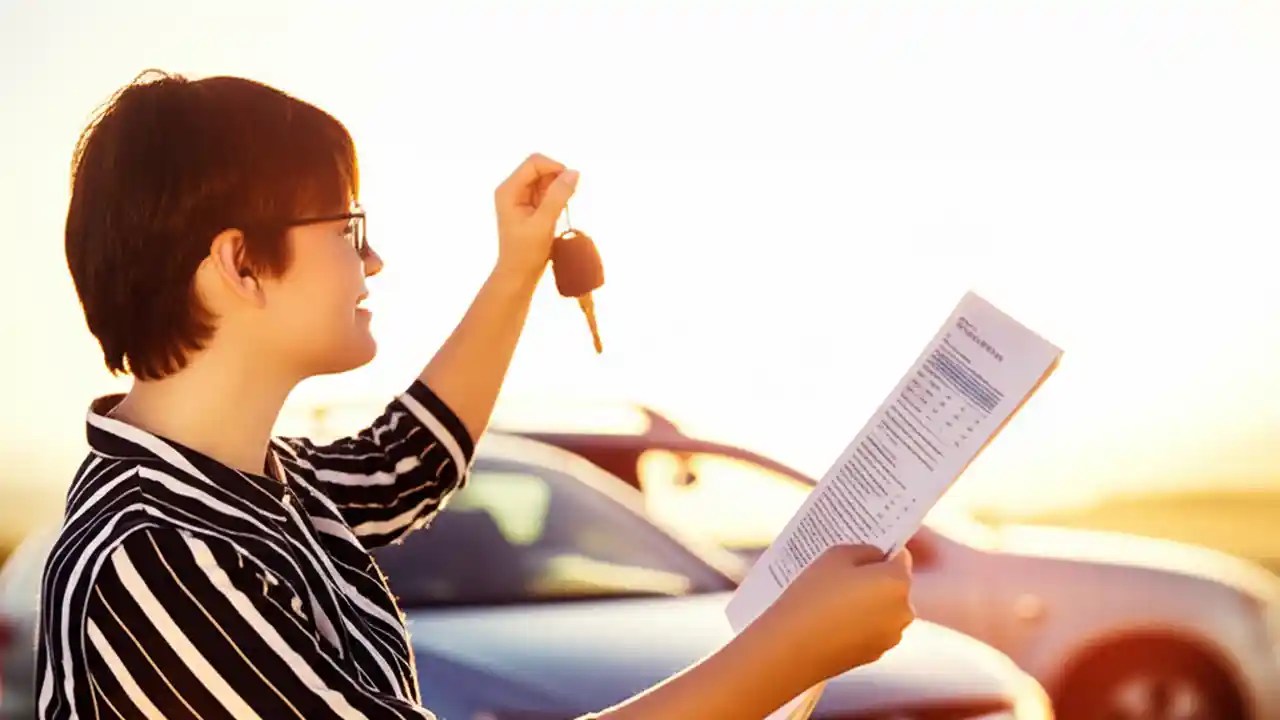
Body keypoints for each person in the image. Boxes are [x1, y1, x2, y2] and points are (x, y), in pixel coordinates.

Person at [36, 69, 914, 720]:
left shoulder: (260, 487)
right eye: (349, 230)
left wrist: (517, 268)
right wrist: (785, 655)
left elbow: (411, 459)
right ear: (239, 264)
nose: (372, 261)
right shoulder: (148, 560)